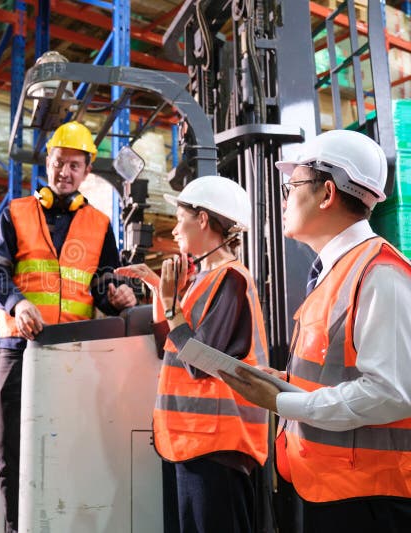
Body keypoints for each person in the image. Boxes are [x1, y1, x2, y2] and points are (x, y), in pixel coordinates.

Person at [221, 129, 411, 532]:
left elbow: (391, 393)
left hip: (366, 501)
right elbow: (338, 370)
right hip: (326, 487)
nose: (285, 199)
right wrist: (287, 383)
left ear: (325, 194)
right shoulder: (338, 271)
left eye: (293, 185)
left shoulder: (379, 274)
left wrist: (284, 403)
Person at [0, 120, 138, 533]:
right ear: (46, 164)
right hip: (18, 346)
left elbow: (103, 283)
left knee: (67, 443)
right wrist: (18, 304)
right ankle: (16, 526)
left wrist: (116, 294)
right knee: (9, 447)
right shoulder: (15, 213)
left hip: (73, 349)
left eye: (73, 165)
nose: (64, 172)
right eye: (57, 163)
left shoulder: (100, 224)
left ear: (86, 171)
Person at [117, 175, 270, 533]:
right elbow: (168, 345)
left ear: (203, 219)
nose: (174, 230)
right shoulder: (202, 281)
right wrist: (160, 291)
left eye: (181, 216)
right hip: (190, 442)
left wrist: (171, 305)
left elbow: (201, 362)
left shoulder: (233, 280)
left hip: (217, 448)